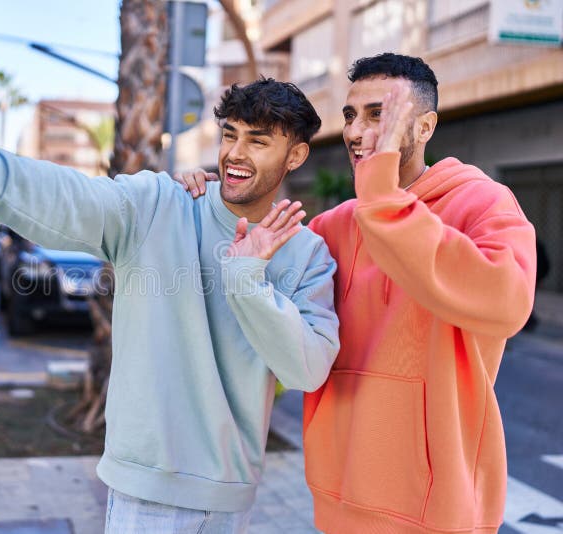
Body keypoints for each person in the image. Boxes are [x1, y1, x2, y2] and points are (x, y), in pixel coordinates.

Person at [0, 78, 340, 532]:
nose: (235, 153)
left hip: (232, 499)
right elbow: (75, 198)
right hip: (146, 494)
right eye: (229, 135)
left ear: (295, 156)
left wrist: (246, 278)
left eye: (257, 142)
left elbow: (307, 369)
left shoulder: (307, 253)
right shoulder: (160, 203)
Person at [173, 54, 536, 533]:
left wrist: (383, 195)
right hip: (339, 499)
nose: (356, 131)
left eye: (378, 114)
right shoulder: (334, 226)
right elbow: (250, 287)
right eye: (350, 115)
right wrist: (213, 202)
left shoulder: (483, 202)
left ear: (425, 127)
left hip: (436, 510)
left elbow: (509, 304)